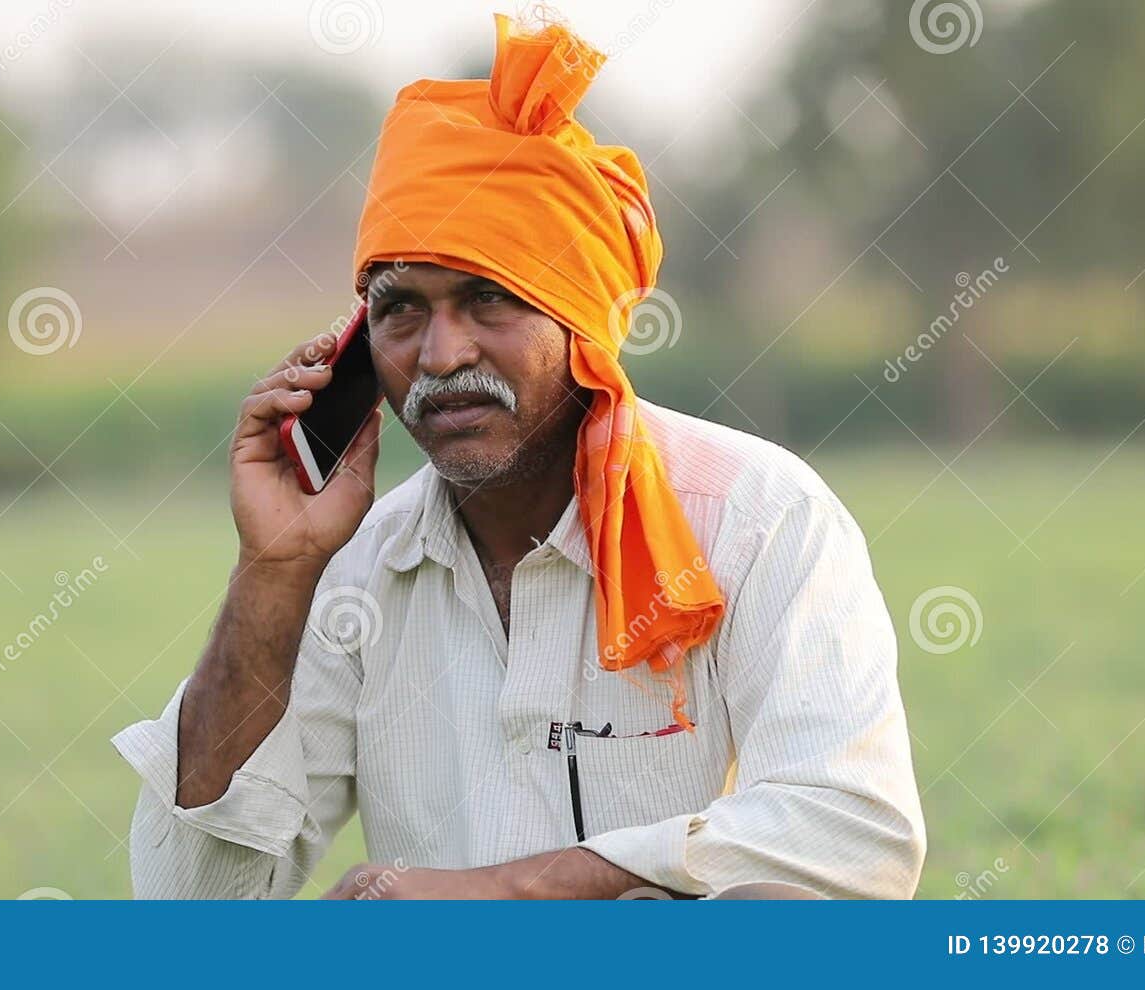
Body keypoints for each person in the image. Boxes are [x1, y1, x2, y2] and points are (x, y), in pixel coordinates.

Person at [113, 12, 924, 900]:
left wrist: (511, 891)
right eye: (401, 309)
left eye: (490, 297)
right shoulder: (356, 573)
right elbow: (190, 909)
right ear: (358, 344)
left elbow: (853, 839)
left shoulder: (757, 517)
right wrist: (274, 568)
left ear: (582, 328)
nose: (441, 354)